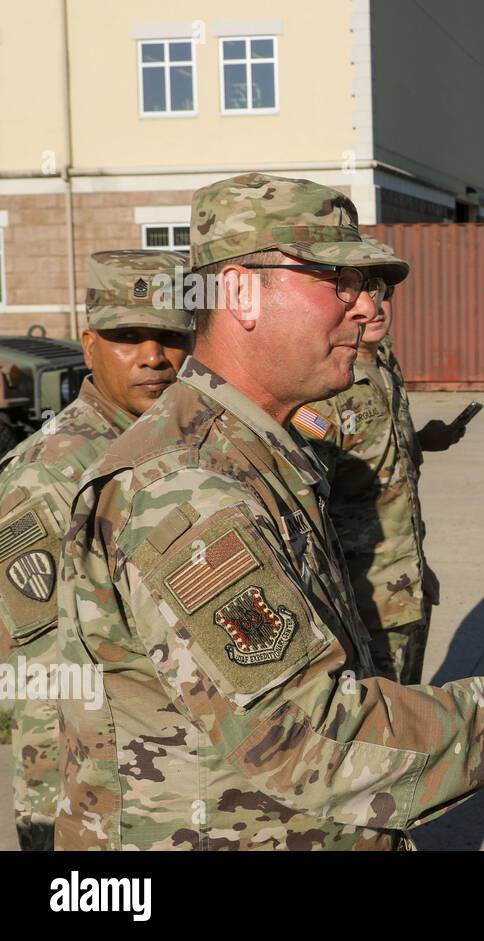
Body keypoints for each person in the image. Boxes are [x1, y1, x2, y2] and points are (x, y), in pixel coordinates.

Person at [56, 173, 484, 850]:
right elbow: (309, 740)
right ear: (242, 293)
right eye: (340, 279)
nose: (370, 307)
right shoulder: (187, 488)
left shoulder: (257, 448)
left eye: (374, 285)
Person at [0, 249, 191, 850]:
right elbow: (34, 675)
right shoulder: (50, 475)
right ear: (88, 347)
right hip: (96, 807)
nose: (153, 356)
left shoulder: (174, 447)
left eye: (169, 337)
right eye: (126, 337)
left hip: (172, 784)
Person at [291, 239, 462, 683]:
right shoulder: (324, 386)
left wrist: (424, 440)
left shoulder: (385, 365)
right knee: (382, 729)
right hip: (361, 597)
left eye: (383, 291)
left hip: (407, 583)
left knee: (411, 710)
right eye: (359, 289)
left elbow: (387, 468)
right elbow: (315, 496)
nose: (375, 305)